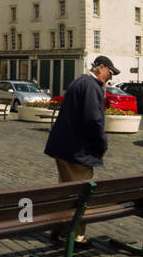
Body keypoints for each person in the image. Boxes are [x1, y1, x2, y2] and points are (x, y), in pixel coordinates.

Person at [44, 56, 118, 244]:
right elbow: (93, 120)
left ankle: (59, 229)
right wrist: (102, 145)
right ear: (100, 68)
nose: (110, 77)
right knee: (81, 195)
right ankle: (75, 235)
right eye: (110, 71)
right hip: (78, 152)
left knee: (66, 191)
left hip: (63, 147)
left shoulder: (79, 82)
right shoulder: (92, 87)